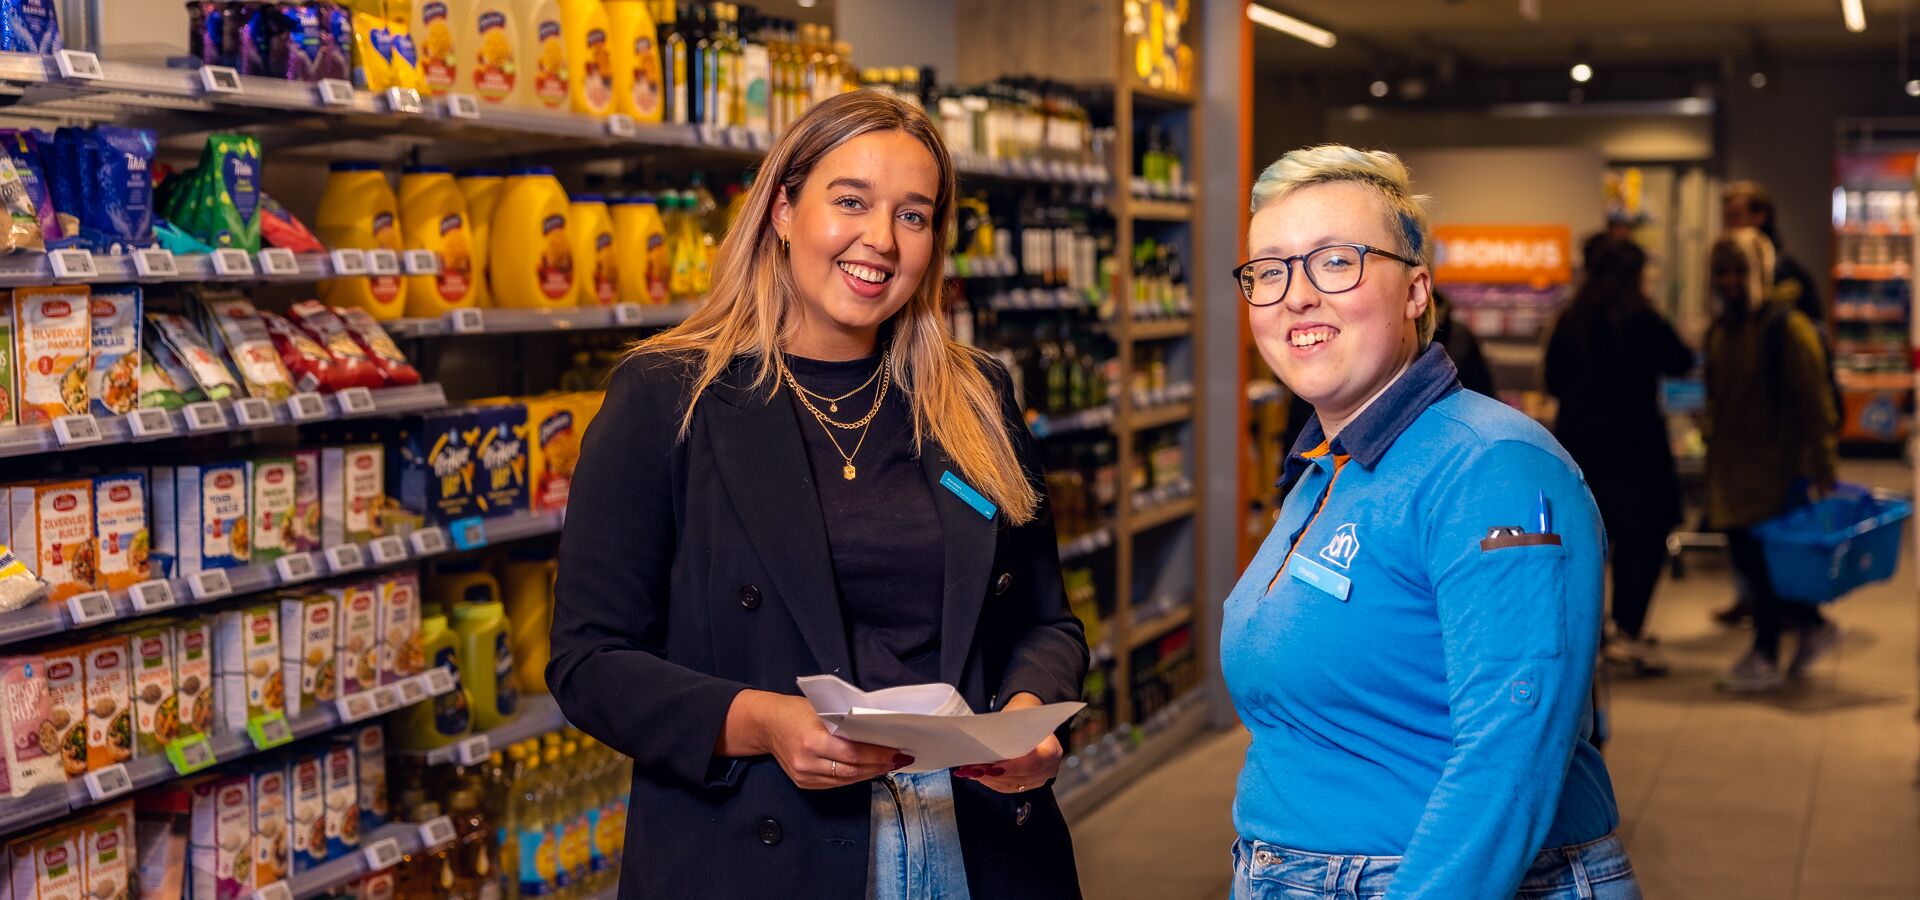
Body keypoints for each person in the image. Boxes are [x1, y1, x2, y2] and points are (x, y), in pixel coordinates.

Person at [547, 91, 1088, 898]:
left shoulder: (976, 398)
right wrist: (764, 724)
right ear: (784, 209)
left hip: (971, 841)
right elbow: (589, 661)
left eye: (914, 215)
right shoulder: (669, 398)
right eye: (851, 202)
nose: (881, 240)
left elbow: (1046, 619)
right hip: (761, 849)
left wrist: (1026, 718)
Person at [1221, 144, 1635, 899]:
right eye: (1269, 270)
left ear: (1416, 291)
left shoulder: (1491, 467)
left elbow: (1508, 763)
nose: (1296, 296)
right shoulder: (1328, 464)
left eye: (1335, 262)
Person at [1545, 236, 1695, 675]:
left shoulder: (1571, 320)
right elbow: (1681, 360)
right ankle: (1627, 631)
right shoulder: (1642, 318)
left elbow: (1554, 380)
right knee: (1643, 541)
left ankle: (1592, 637)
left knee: (1585, 543)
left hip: (1581, 451)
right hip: (1637, 449)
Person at [1703, 229, 1842, 693]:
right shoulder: (1722, 331)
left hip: (1778, 472)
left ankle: (1768, 651)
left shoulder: (1787, 328)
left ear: (1757, 272)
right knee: (1754, 564)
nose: (1729, 281)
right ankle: (1809, 627)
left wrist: (1823, 471)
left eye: (1738, 270)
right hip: (1736, 472)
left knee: (1766, 567)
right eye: (1721, 271)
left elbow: (1816, 403)